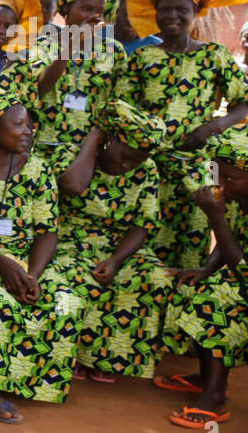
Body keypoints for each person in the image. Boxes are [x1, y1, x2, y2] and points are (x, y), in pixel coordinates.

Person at [114, 0, 248, 269]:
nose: (172, 16)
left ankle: (183, 309)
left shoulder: (214, 56)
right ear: (155, 13)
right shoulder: (141, 58)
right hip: (148, 166)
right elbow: (121, 110)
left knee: (192, 242)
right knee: (142, 247)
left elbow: (245, 102)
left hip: (201, 166)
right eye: (165, 9)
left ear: (196, 13)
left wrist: (212, 128)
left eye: (182, 9)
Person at [0, 91, 82, 406]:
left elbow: (47, 231)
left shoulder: (38, 170)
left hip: (26, 260)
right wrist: (2, 264)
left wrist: (32, 275)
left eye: (30, 125)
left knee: (66, 303)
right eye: (20, 124)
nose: (29, 131)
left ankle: (33, 382)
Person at [55, 98, 172, 384]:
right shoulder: (73, 154)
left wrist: (116, 260)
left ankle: (109, 359)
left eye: (136, 160)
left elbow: (143, 223)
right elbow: (72, 185)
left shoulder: (147, 170)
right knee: (75, 277)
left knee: (155, 278)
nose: (128, 164)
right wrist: (92, 143)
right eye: (125, 156)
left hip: (119, 245)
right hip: (70, 240)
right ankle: (76, 356)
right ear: (108, 141)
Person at [160, 123, 248, 428]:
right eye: (219, 176)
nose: (224, 185)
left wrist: (214, 216)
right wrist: (205, 270)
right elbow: (232, 238)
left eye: (231, 178)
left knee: (216, 301)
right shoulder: (239, 194)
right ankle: (205, 376)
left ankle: (215, 396)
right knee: (189, 285)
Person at [30, 0, 125, 177]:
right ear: (66, 10)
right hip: (49, 146)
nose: (95, 17)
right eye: (86, 9)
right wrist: (69, 47)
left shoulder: (112, 50)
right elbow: (39, 87)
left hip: (92, 153)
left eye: (99, 11)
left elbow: (120, 99)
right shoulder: (44, 44)